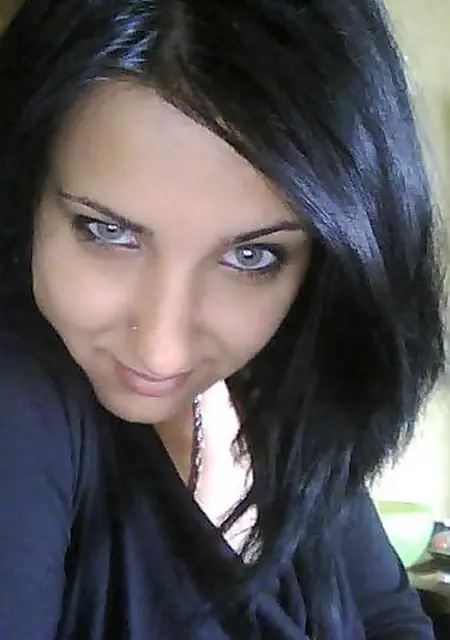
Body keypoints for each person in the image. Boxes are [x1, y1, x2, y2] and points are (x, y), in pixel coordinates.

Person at [0, 0, 444, 638]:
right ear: (26, 200)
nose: (161, 350)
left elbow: (390, 617)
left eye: (252, 256)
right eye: (106, 231)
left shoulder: (290, 398)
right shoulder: (20, 396)